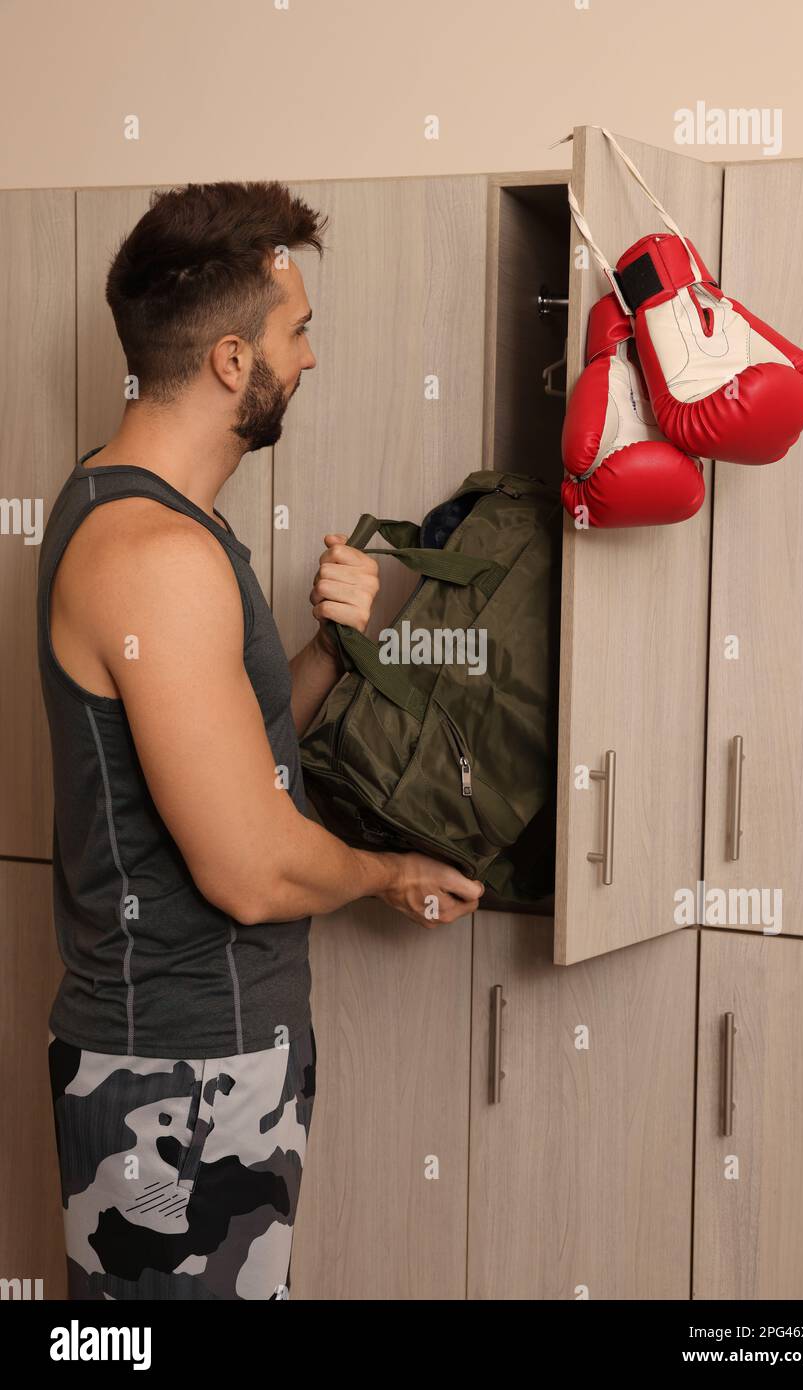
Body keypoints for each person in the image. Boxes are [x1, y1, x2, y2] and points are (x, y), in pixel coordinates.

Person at [38, 180, 484, 1301]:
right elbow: (248, 864)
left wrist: (331, 649)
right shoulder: (155, 555)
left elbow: (216, 750)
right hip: (182, 1073)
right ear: (234, 361)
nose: (312, 360)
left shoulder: (124, 507)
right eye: (299, 333)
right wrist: (387, 873)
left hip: (200, 1056)